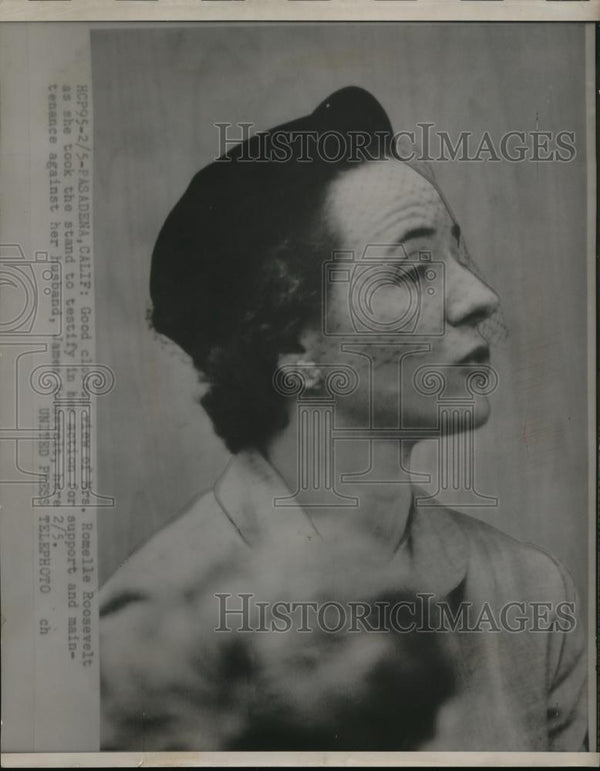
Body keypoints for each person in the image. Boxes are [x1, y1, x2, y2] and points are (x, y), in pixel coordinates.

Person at [99, 86, 587, 751]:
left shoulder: (528, 593)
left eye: (458, 255)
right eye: (415, 270)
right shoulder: (148, 630)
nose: (480, 296)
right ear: (293, 343)